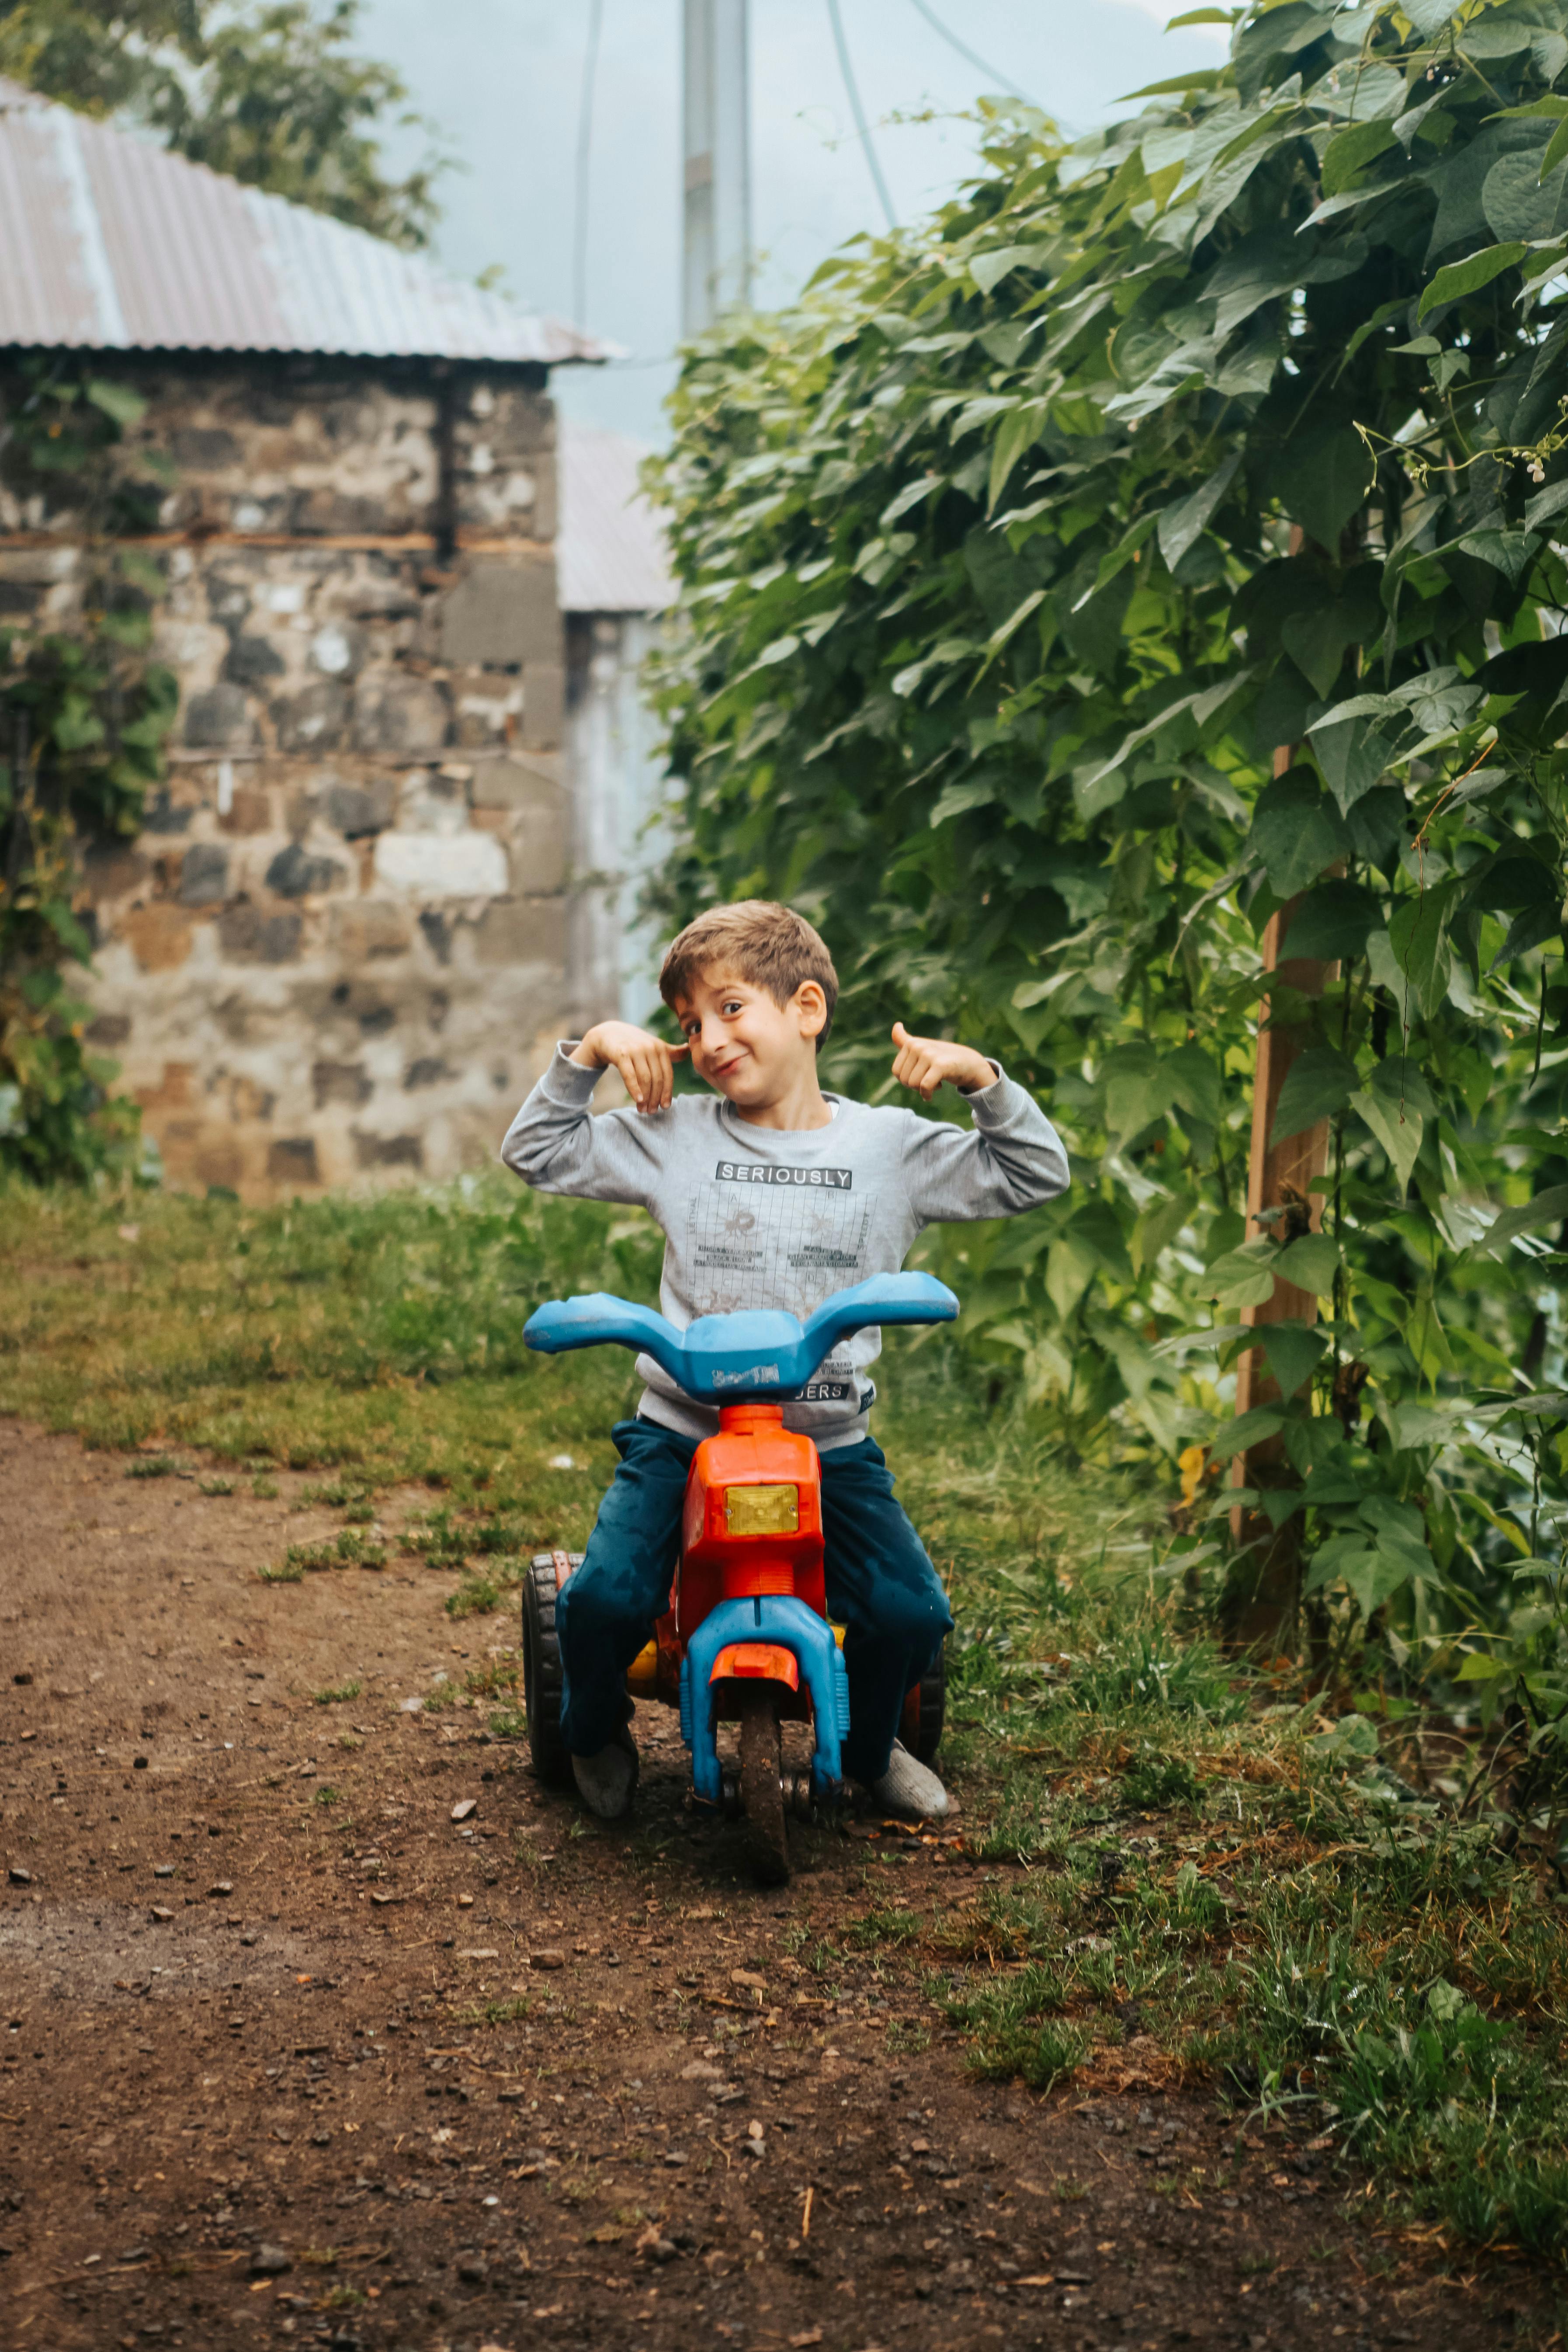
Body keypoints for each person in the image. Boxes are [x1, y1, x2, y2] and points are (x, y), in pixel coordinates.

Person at [500, 901, 1069, 1823]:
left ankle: (872, 1743)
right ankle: (593, 1725)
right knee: (605, 1596)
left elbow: (1035, 1174)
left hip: (827, 1436)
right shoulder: (676, 1134)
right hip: (685, 1429)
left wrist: (982, 1078)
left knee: (908, 1614)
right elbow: (535, 1152)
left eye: (730, 1009)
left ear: (806, 1008)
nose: (708, 1040)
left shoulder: (890, 1149)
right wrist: (592, 1053)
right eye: (689, 1026)